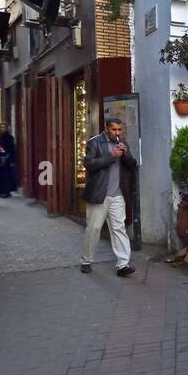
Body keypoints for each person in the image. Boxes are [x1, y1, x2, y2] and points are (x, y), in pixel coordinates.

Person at [81, 116, 138, 277]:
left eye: (120, 130)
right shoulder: (95, 142)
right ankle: (86, 260)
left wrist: (125, 155)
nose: (117, 133)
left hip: (118, 194)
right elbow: (89, 164)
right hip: (99, 193)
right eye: (114, 129)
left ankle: (123, 264)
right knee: (94, 228)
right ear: (106, 129)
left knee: (119, 229)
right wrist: (111, 156)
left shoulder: (123, 143)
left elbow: (132, 164)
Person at [0, 122, 19, 198]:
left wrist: (12, 161)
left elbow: (12, 150)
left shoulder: (10, 137)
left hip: (7, 159)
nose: (2, 129)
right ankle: (1, 191)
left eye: (4, 127)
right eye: (1, 127)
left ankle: (6, 192)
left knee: (6, 176)